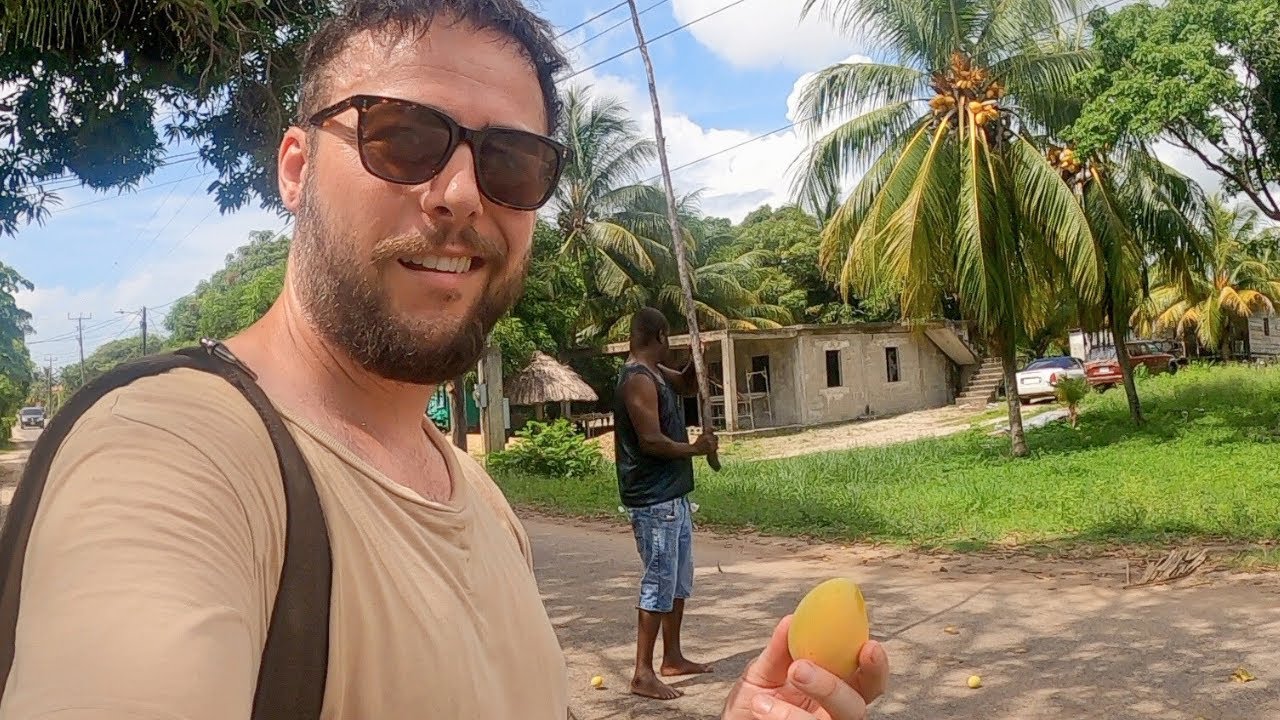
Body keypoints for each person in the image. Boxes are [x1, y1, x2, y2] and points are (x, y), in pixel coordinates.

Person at [0, 1, 888, 719]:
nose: (462, 194)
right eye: (402, 137)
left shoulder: (487, 508)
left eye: (512, 160)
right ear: (297, 168)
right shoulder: (173, 453)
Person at [614, 307, 717, 700]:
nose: (669, 343)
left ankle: (672, 658)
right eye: (669, 337)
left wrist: (696, 358)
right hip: (653, 498)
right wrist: (695, 448)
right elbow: (651, 441)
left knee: (677, 581)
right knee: (658, 582)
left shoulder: (655, 374)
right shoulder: (637, 379)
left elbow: (686, 386)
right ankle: (642, 672)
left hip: (673, 496)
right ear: (659, 335)